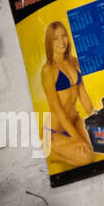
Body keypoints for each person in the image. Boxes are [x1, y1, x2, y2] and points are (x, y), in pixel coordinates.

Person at [39, 21, 96, 167]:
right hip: (55, 131)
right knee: (87, 158)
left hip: (75, 121)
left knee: (97, 145)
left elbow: (83, 94)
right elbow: (56, 108)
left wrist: (95, 116)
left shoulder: (74, 62)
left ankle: (70, 149)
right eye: (55, 38)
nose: (61, 41)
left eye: (64, 36)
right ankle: (57, 156)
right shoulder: (48, 70)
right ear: (49, 42)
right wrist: (76, 138)